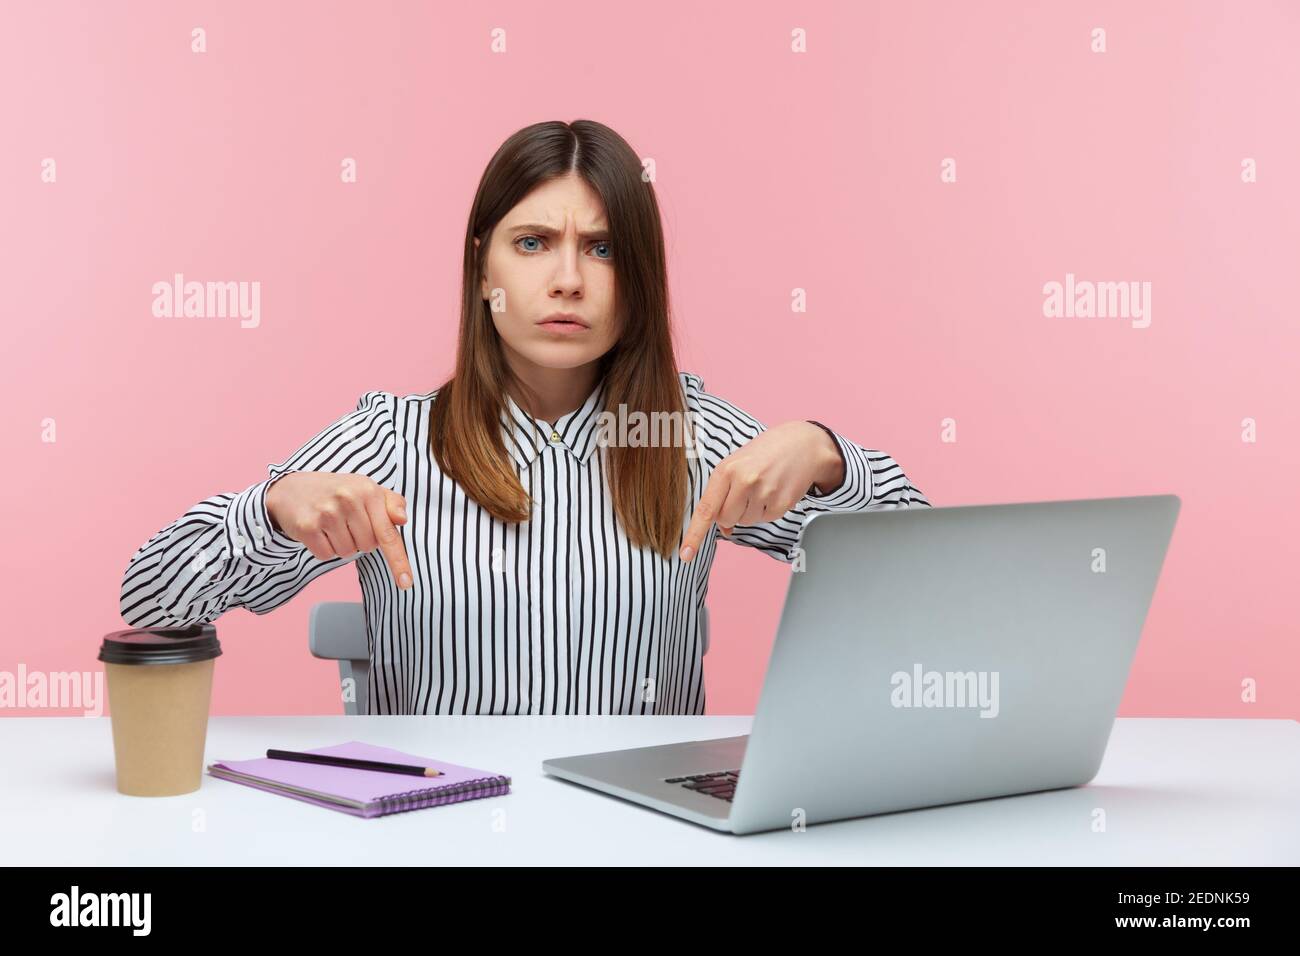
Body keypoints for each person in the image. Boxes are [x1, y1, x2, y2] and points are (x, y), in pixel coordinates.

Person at [119, 119, 930, 716]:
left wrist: (826, 456)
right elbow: (150, 597)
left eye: (604, 249)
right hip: (440, 834)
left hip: (641, 839)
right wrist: (273, 509)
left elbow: (929, 577)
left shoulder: (691, 437)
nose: (569, 279)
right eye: (534, 242)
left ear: (638, 280)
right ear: (482, 269)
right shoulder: (388, 440)